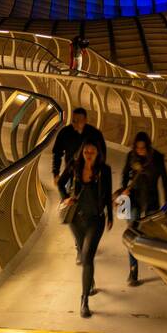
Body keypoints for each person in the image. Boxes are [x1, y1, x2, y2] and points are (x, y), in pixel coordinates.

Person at [60, 140, 113, 318]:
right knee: (84, 257)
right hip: (76, 218)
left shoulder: (104, 170)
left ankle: (84, 301)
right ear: (82, 153)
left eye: (92, 152)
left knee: (88, 256)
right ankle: (89, 281)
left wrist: (111, 216)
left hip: (95, 220)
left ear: (98, 154)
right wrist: (65, 198)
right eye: (86, 152)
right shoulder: (74, 167)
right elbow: (60, 182)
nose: (89, 155)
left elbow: (107, 194)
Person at [117, 131, 167, 286]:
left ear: (148, 147)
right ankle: (133, 270)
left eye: (143, 148)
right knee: (132, 233)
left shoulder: (157, 158)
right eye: (138, 148)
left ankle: (154, 261)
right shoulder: (131, 156)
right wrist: (123, 190)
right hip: (134, 199)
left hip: (151, 200)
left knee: (150, 234)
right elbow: (124, 175)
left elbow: (165, 182)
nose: (140, 150)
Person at [53, 108, 106, 260]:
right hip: (72, 175)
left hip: (92, 177)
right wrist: (56, 172)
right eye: (74, 120)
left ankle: (88, 240)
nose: (76, 123)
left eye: (79, 120)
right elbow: (57, 153)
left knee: (91, 209)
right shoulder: (65, 133)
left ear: (85, 120)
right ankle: (80, 246)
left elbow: (103, 153)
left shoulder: (94, 134)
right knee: (74, 210)